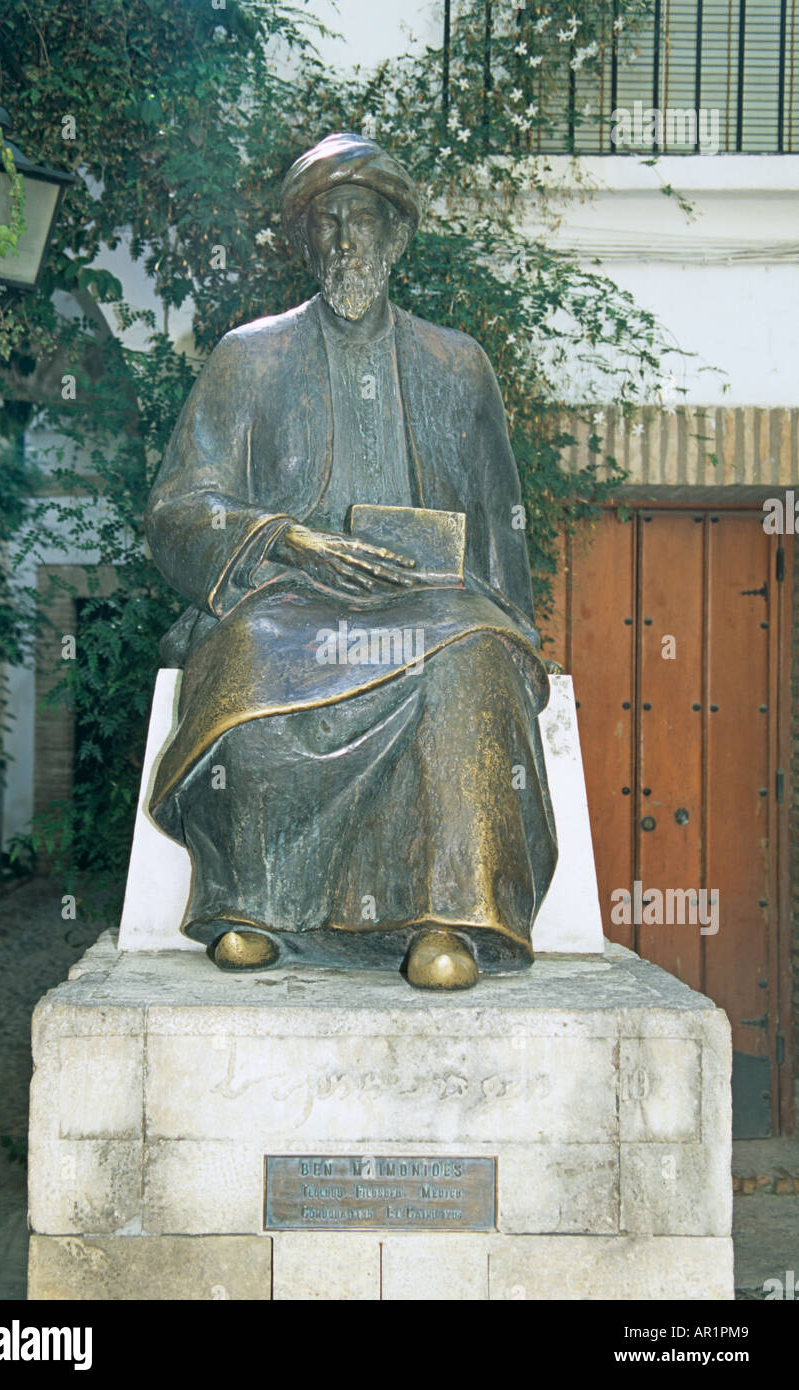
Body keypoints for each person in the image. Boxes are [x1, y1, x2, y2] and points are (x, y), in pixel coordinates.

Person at [145, 132, 557, 989]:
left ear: (396, 235)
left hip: (431, 606)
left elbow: (499, 521)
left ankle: (446, 919)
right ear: (303, 241)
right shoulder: (246, 357)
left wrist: (516, 634)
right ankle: (256, 902)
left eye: (361, 221)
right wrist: (285, 537)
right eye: (326, 223)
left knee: (473, 660)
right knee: (253, 654)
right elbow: (181, 507)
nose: (344, 241)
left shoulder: (458, 365)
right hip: (289, 599)